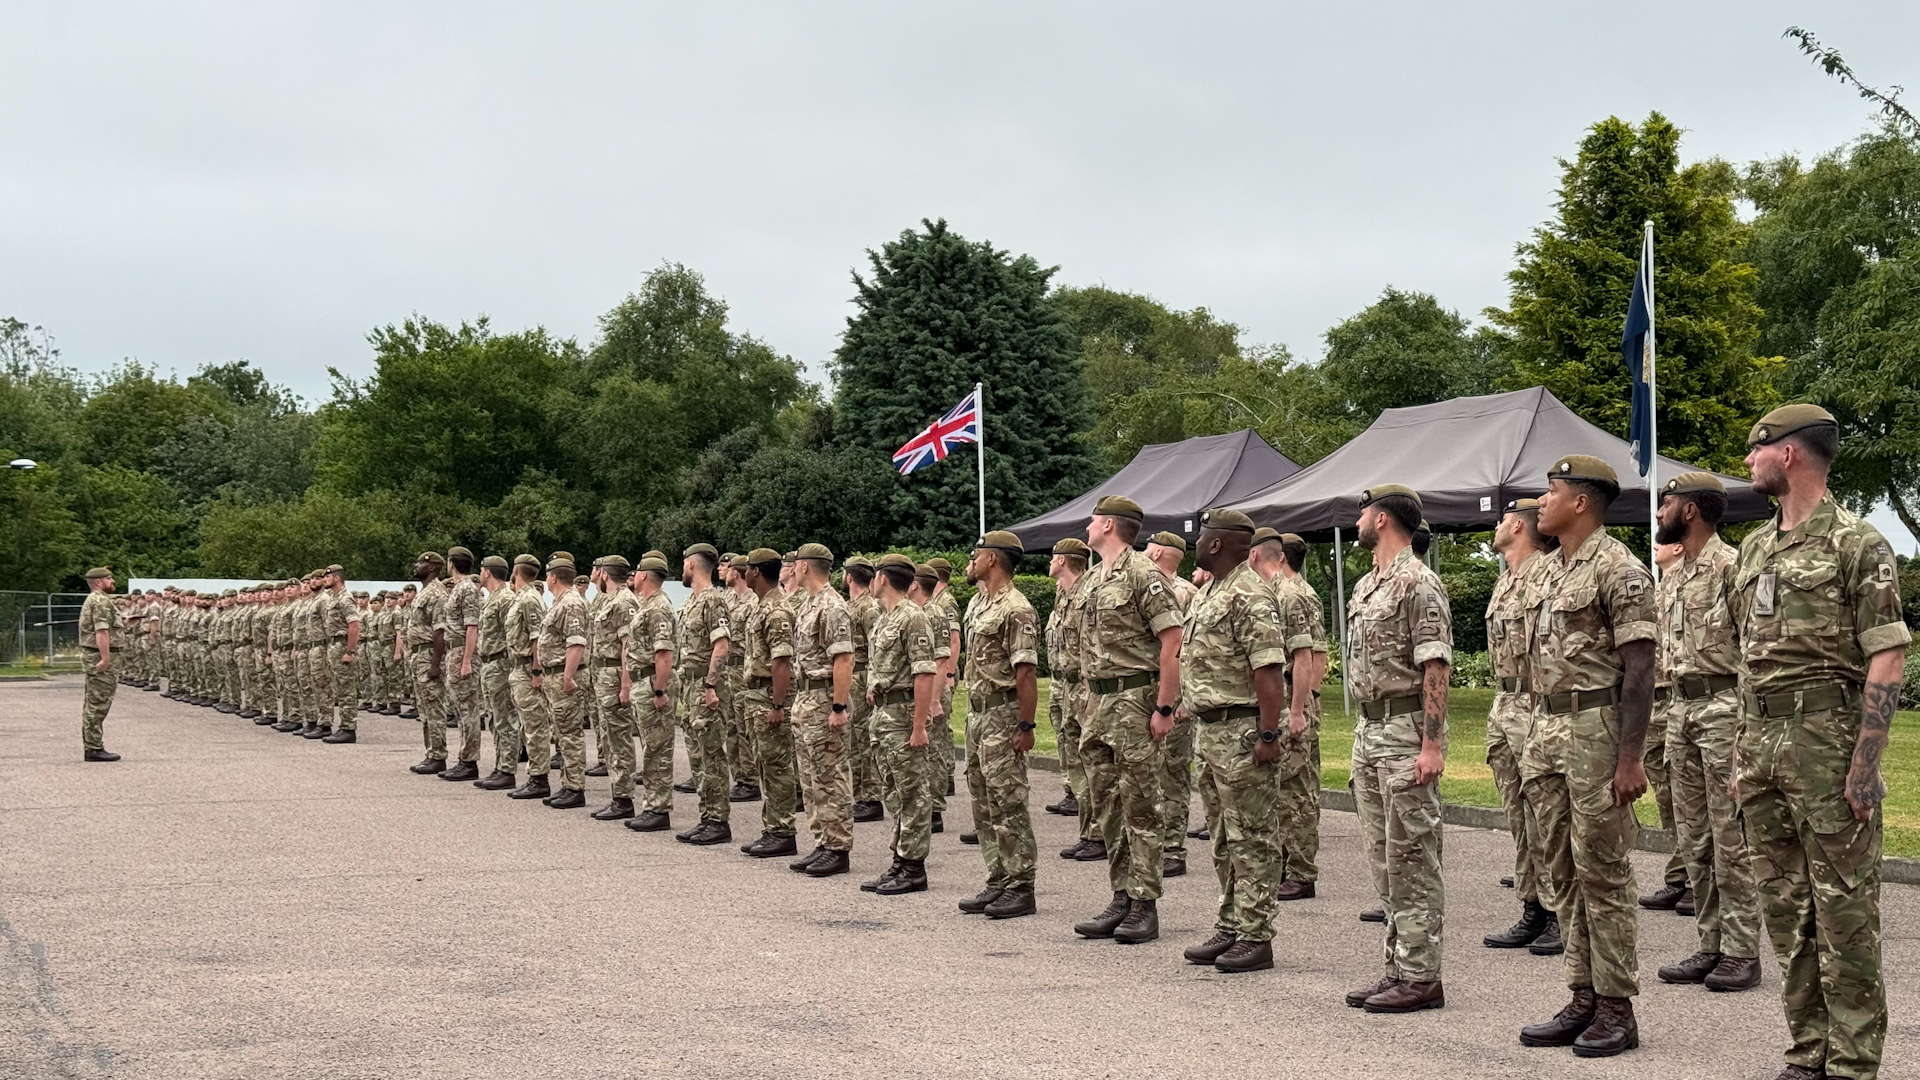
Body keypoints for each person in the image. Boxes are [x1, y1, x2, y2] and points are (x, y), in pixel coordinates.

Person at [1733, 404, 1908, 1080]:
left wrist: (1865, 766)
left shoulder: (1858, 544)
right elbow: (1747, 659)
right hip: (1763, 747)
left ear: (1791, 454)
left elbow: (1887, 657)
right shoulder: (1753, 549)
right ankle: (1809, 1052)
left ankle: (1854, 1064)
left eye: (1758, 449)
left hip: (1828, 742)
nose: (1749, 461)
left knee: (1845, 915)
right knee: (1786, 911)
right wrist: (1745, 754)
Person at [1517, 456, 1655, 1058]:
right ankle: (1583, 993)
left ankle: (1617, 1006)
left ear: (1580, 502)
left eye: (1550, 491)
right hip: (1546, 730)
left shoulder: (1619, 568)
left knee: (1603, 870)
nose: (1539, 503)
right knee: (1561, 871)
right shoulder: (1547, 572)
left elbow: (1642, 670)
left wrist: (1631, 759)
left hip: (1596, 729)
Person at [1647, 472, 1762, 994]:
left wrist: (1747, 731)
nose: (1658, 512)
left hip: (1724, 711)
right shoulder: (1673, 576)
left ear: (1689, 511)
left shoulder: (1732, 567)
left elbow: (1756, 654)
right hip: (1680, 710)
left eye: (1665, 502)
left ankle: (1741, 951)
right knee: (1694, 837)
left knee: (1729, 836)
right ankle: (1710, 943)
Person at [1341, 485, 1451, 1014]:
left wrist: (1431, 745)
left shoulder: (1419, 584)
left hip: (1407, 731)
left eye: (1363, 512)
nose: (1357, 520)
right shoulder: (1368, 584)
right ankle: (1397, 968)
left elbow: (1435, 666)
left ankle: (1423, 975)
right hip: (1371, 730)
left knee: (1413, 857)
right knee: (1384, 860)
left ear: (1381, 519)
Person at [1175, 510, 1287, 973]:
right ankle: (1232, 922)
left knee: (1253, 837)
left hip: (1241, 731)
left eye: (1202, 537)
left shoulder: (1249, 594)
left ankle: (1257, 936)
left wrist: (1267, 733)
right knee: (1223, 837)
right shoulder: (1210, 592)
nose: (1196, 544)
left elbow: (1268, 671)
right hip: (1211, 732)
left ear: (1216, 544)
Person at [1072, 495, 1183, 946]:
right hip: (1098, 705)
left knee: (1140, 804)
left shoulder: (1143, 575)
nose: (1088, 525)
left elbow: (1172, 642)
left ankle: (1144, 904)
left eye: (1095, 519)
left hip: (1134, 701)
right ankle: (1121, 896)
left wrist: (1164, 708)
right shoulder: (1093, 579)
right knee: (1107, 807)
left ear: (1111, 526)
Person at [1481, 499, 1561, 953]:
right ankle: (1532, 906)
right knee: (1518, 814)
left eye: (1500, 521)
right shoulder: (1506, 579)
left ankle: (1558, 911)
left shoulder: (1546, 574)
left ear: (1516, 525)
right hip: (1505, 702)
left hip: (1534, 702)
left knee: (1544, 816)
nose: (1495, 527)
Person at [961, 531, 1042, 919]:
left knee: (1008, 801)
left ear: (992, 558)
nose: (971, 560)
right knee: (983, 802)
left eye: (976, 554)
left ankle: (1021, 883)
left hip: (1002, 713)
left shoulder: (1017, 608)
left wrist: (1026, 725)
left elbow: (1025, 672)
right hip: (977, 714)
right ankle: (998, 878)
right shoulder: (979, 603)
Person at [1252, 530, 1329, 903]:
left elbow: (1308, 657)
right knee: (1281, 789)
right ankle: (1285, 864)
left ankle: (1301, 872)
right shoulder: (1279, 592)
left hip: (1292, 703)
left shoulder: (1294, 595)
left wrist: (1301, 708)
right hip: (1282, 702)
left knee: (1296, 792)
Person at [862, 553, 940, 896]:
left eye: (874, 574)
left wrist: (919, 725)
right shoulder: (884, 618)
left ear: (882, 578)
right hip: (883, 716)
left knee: (913, 794)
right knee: (893, 792)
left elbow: (924, 673)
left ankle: (913, 867)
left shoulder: (913, 618)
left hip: (904, 716)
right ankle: (899, 859)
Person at [787, 543, 856, 878]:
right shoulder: (808, 604)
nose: (793, 569)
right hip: (805, 702)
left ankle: (838, 846)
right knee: (811, 778)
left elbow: (843, 658)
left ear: (805, 568)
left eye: (796, 564)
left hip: (824, 699)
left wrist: (839, 705)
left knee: (831, 777)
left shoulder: (831, 605)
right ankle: (823, 840)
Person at [736, 549, 800, 859]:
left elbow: (782, 661)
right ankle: (772, 826)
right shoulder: (761, 606)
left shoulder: (776, 609)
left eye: (746, 568)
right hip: (756, 695)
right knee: (765, 762)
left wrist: (778, 704)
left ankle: (783, 831)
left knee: (776, 765)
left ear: (757, 572)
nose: (742, 573)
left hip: (768, 695)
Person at [1143, 530, 1198, 876]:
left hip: (1174, 699)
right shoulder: (1144, 587)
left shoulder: (1185, 593)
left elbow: (1188, 650)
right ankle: (1154, 842)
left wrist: (1182, 701)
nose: (1144, 552)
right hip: (1151, 695)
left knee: (1173, 773)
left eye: (1149, 547)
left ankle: (1173, 848)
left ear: (1160, 552)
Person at [1045, 538, 1102, 860]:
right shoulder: (1062, 596)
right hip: (1065, 688)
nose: (1049, 562)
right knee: (1075, 762)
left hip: (1083, 688)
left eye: (1054, 557)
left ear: (1064, 560)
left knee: (1091, 763)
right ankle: (1089, 831)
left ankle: (1098, 833)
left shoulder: (1087, 594)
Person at [673, 544, 733, 846]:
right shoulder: (690, 603)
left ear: (692, 565)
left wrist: (710, 686)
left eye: (684, 564)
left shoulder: (713, 602)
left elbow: (721, 646)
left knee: (711, 755)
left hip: (705, 687)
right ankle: (706, 815)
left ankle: (718, 820)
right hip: (690, 686)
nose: (682, 569)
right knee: (698, 757)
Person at [623, 556, 677, 830]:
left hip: (653, 682)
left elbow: (664, 652)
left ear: (644, 575)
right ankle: (653, 805)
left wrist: (660, 689)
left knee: (657, 748)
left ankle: (658, 808)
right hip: (643, 681)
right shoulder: (647, 605)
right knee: (650, 747)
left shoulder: (658, 607)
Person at [536, 554, 591, 810]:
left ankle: (575, 787)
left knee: (570, 734)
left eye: (547, 575)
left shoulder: (571, 603)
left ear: (553, 577)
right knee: (562, 733)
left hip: (564, 676)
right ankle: (567, 784)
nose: (546, 579)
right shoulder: (559, 602)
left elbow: (576, 642)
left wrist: (568, 675)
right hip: (554, 675)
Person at [505, 555, 555, 801]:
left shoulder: (529, 599)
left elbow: (537, 639)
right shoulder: (521, 597)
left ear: (516, 570)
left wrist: (537, 672)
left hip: (528, 670)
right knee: (528, 724)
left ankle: (539, 779)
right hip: (520, 668)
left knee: (535, 726)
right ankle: (535, 776)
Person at [473, 556, 523, 789]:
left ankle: (507, 769)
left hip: (501, 663)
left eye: (482, 570)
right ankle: (499, 765)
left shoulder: (505, 599)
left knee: (505, 718)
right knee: (494, 718)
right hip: (489, 664)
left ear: (487, 573)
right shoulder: (492, 598)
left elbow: (512, 635)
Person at [843, 556, 884, 823]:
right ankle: (859, 794)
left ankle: (870, 797)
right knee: (854, 740)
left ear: (849, 577)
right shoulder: (851, 605)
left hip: (862, 674)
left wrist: (872, 681)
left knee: (864, 739)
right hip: (851, 675)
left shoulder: (869, 607)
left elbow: (875, 647)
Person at [404, 553, 452, 774]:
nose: (417, 565)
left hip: (428, 655)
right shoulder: (425, 592)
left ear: (433, 567)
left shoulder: (437, 594)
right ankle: (431, 752)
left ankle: (438, 755)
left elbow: (440, 631)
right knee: (425, 708)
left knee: (434, 707)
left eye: (421, 562)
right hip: (418, 656)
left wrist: (435, 663)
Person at [440, 548, 484, 779]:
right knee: (460, 708)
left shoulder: (467, 588)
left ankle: (469, 761)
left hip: (461, 652)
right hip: (454, 650)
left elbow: (472, 626)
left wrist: (466, 660)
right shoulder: (458, 587)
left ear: (451, 564)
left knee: (467, 709)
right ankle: (464, 757)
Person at [77, 567, 122, 761]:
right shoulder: (101, 600)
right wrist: (105, 659)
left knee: (94, 703)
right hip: (99, 656)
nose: (112, 581)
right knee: (98, 704)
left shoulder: (95, 599)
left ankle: (93, 746)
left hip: (94, 655)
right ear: (98, 582)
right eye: (108, 578)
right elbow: (101, 632)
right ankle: (94, 748)